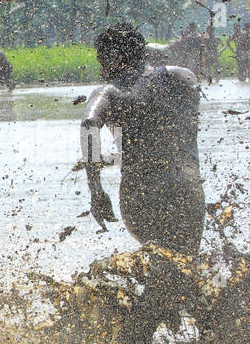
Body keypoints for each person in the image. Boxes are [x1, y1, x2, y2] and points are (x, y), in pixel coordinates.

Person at [80, 22, 204, 255]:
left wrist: (96, 190)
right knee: (188, 262)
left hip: (142, 192)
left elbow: (89, 124)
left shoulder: (109, 92)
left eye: (102, 62)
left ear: (115, 57)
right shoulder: (184, 78)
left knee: (160, 260)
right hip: (187, 188)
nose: (102, 70)